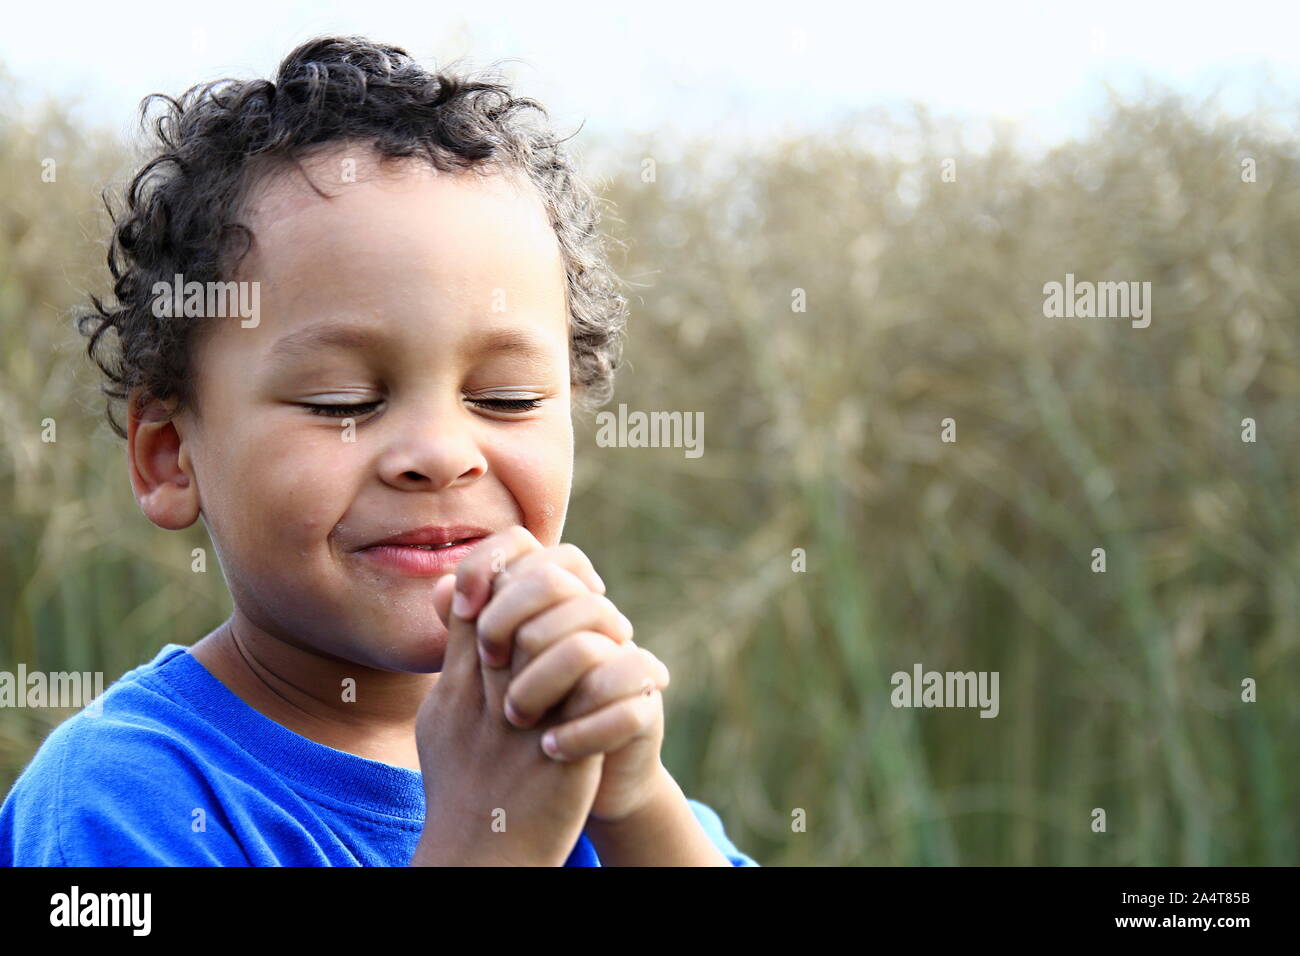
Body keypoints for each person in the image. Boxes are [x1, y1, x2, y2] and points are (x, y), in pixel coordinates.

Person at [0, 35, 757, 867]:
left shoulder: (578, 771)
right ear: (170, 455)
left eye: (504, 398)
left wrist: (636, 799)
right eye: (343, 403)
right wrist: (490, 836)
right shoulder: (123, 800)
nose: (438, 454)